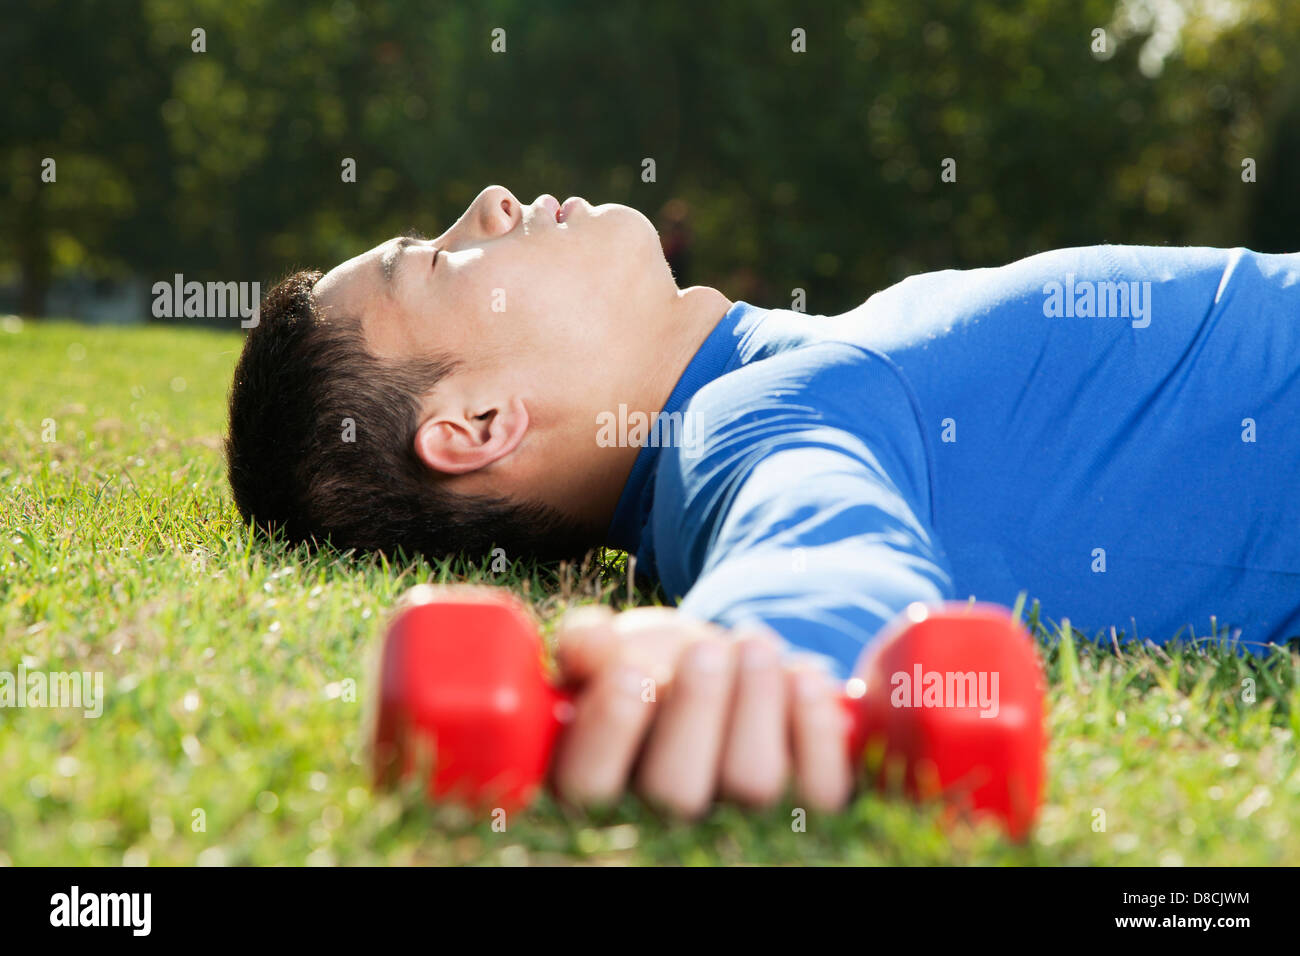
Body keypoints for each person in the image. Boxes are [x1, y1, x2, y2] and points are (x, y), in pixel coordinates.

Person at [226, 185, 1300, 816]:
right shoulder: (750, 418)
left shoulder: (782, 370)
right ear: (477, 426)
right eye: (438, 257)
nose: (489, 205)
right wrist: (756, 653)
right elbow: (820, 548)